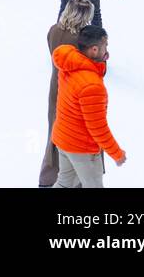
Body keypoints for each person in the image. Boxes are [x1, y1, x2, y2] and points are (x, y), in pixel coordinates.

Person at [50, 26, 126, 188]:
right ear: (94, 49)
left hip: (63, 139)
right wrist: (117, 154)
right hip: (81, 148)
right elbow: (98, 128)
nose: (107, 50)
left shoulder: (70, 65)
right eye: (105, 46)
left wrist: (101, 62)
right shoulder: (92, 85)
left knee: (64, 184)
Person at [39, 0, 96, 187]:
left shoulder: (54, 31)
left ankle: (47, 177)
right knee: (75, 140)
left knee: (53, 135)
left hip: (55, 89)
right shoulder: (81, 42)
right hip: (74, 96)